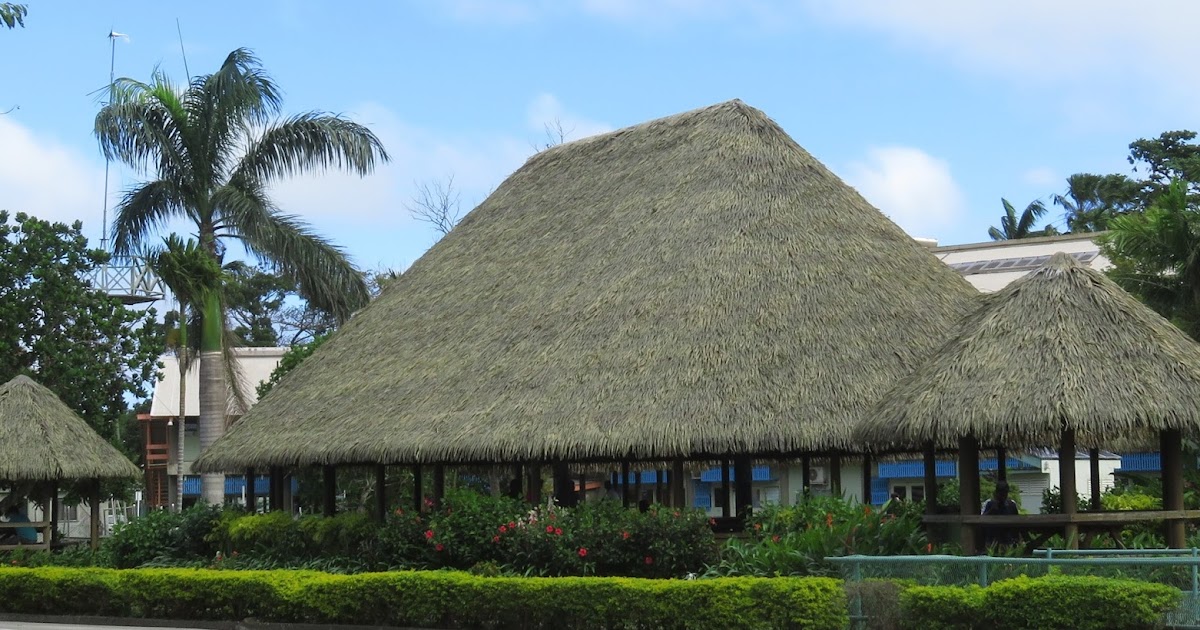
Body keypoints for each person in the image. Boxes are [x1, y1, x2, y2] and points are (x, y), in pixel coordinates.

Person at [981, 481, 1019, 549]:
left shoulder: (1012, 504)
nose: (1003, 496)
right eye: (1001, 493)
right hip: (991, 539)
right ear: (996, 492)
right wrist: (992, 510)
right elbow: (981, 520)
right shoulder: (989, 503)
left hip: (1008, 539)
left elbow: (1017, 522)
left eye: (1005, 493)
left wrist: (1016, 538)